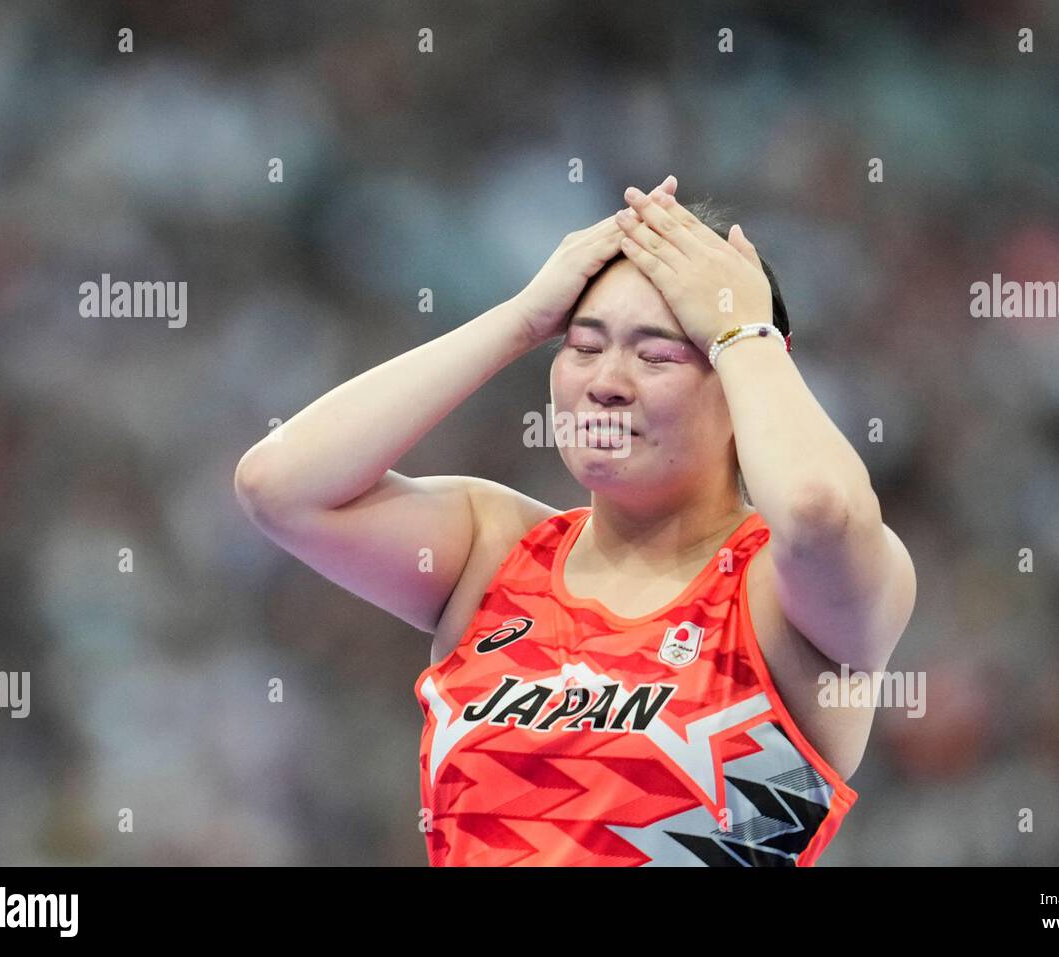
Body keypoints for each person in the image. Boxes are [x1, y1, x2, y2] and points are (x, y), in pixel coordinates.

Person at [234, 174, 916, 866]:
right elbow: (279, 485)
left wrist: (745, 332)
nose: (606, 381)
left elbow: (818, 509)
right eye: (584, 346)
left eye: (656, 355)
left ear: (740, 382)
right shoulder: (493, 549)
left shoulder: (779, 595)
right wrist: (522, 318)